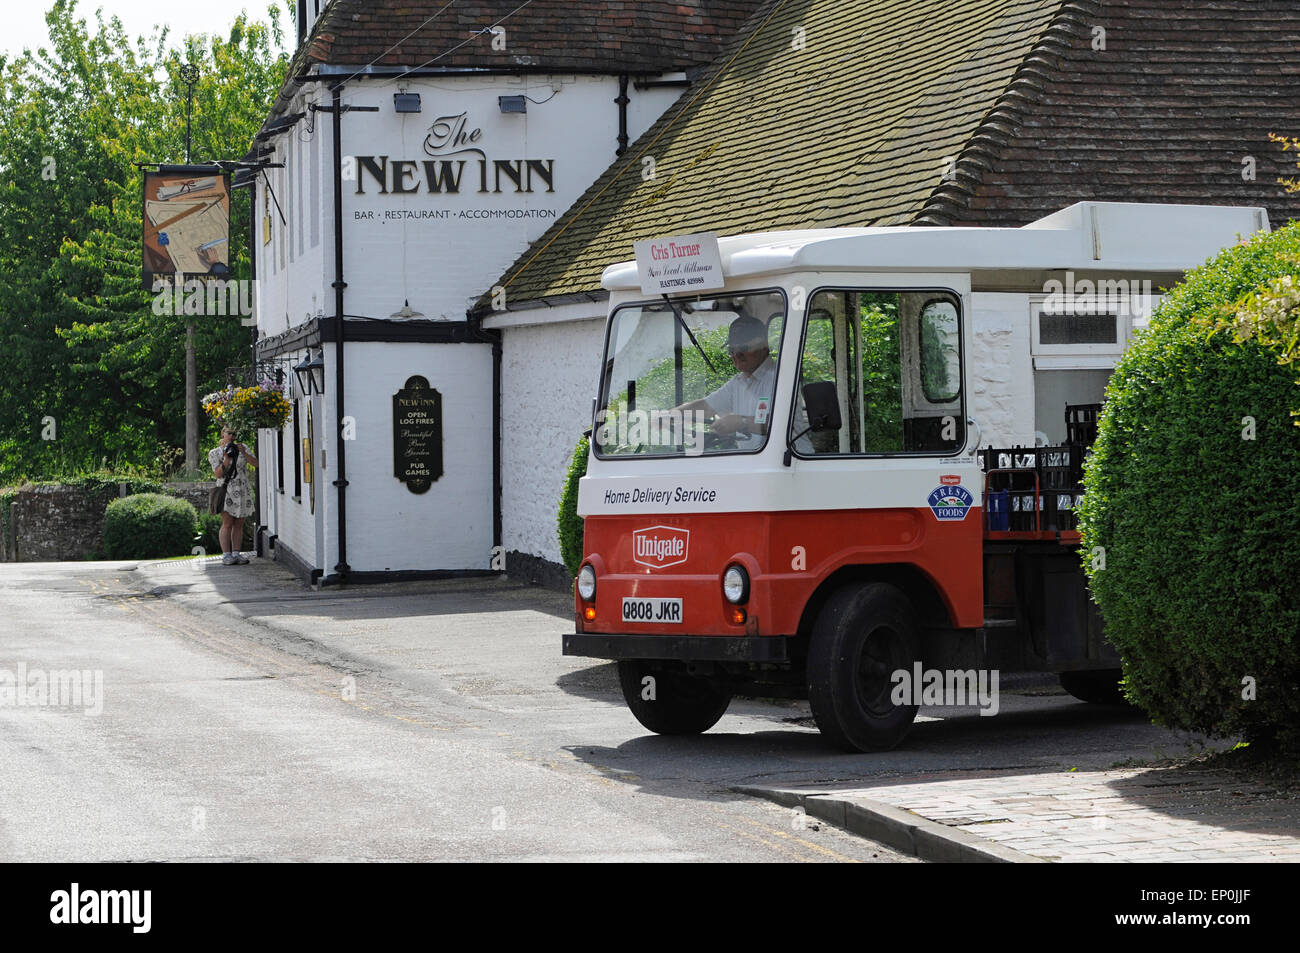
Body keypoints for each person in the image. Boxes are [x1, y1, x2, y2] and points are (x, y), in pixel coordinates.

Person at [675, 314, 776, 450]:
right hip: (751, 462)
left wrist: (741, 422)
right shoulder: (738, 382)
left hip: (787, 463)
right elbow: (706, 406)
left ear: (763, 346)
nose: (736, 355)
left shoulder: (778, 378)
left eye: (743, 348)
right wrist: (670, 414)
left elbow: (779, 423)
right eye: (732, 350)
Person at [208, 426, 258, 565]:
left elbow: (256, 464)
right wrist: (226, 459)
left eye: (234, 434)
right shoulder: (214, 453)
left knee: (239, 523)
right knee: (227, 523)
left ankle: (236, 553)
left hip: (242, 489)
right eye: (229, 433)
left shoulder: (242, 448)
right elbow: (218, 474)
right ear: (223, 433)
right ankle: (226, 555)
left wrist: (243, 452)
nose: (231, 436)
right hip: (226, 490)